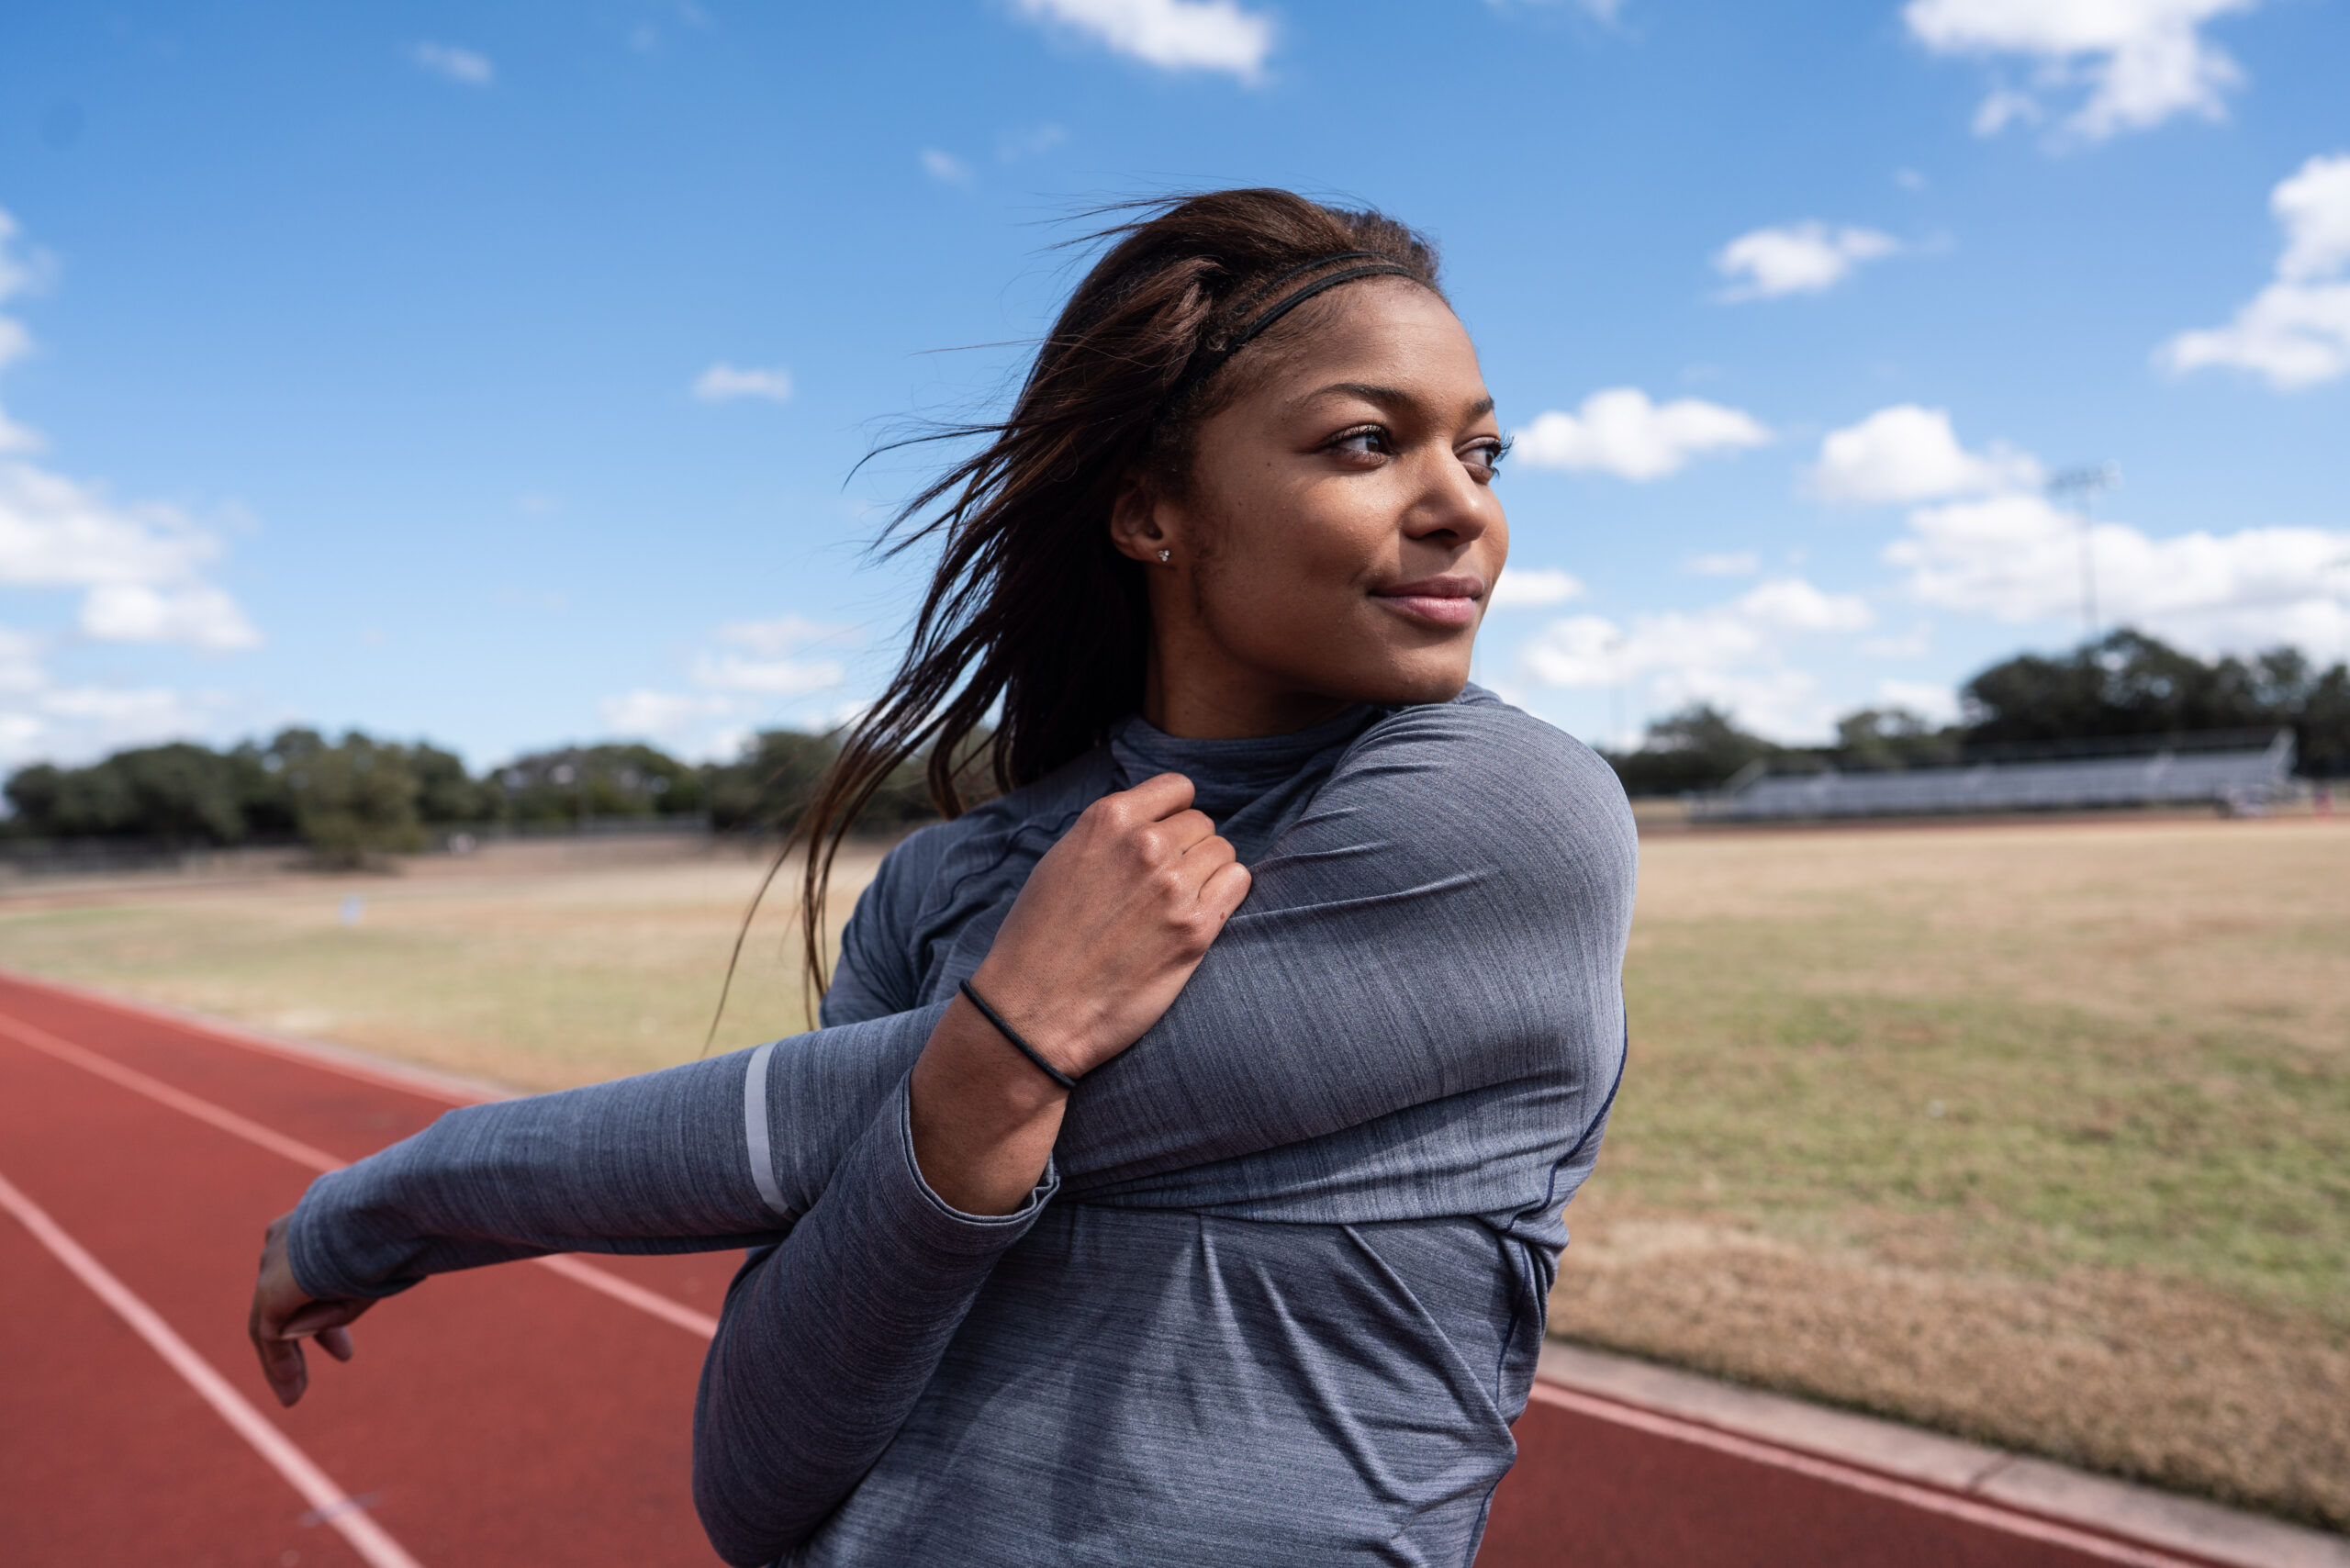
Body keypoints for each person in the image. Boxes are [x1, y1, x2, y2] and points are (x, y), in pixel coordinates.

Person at [247, 189, 1637, 1568]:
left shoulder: (1505, 822)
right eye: (1365, 443)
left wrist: (390, 1200)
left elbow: (818, 1123)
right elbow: (753, 1484)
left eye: (1484, 454)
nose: (1463, 507)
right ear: (1152, 510)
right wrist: (976, 1105)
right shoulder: (941, 885)